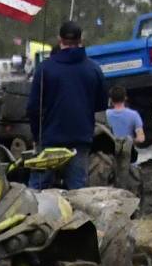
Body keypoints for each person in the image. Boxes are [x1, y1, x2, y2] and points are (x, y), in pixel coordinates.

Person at [26, 19, 107, 189]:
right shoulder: (94, 69)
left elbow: (33, 107)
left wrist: (36, 136)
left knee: (37, 191)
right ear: (81, 40)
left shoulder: (44, 69)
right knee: (79, 193)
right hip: (80, 139)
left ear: (59, 39)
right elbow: (100, 104)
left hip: (49, 139)